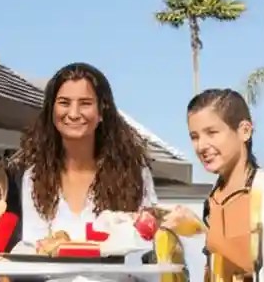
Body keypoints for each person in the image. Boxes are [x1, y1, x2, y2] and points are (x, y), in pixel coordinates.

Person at [13, 62, 157, 244]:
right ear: (51, 110)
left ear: (102, 111)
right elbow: (34, 245)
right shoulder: (34, 177)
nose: (73, 113)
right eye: (64, 103)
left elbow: (146, 241)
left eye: (85, 103)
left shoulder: (134, 173)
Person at [179, 88, 264, 281]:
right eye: (194, 137)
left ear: (244, 131)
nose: (201, 146)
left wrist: (202, 231)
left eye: (211, 133)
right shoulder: (213, 200)